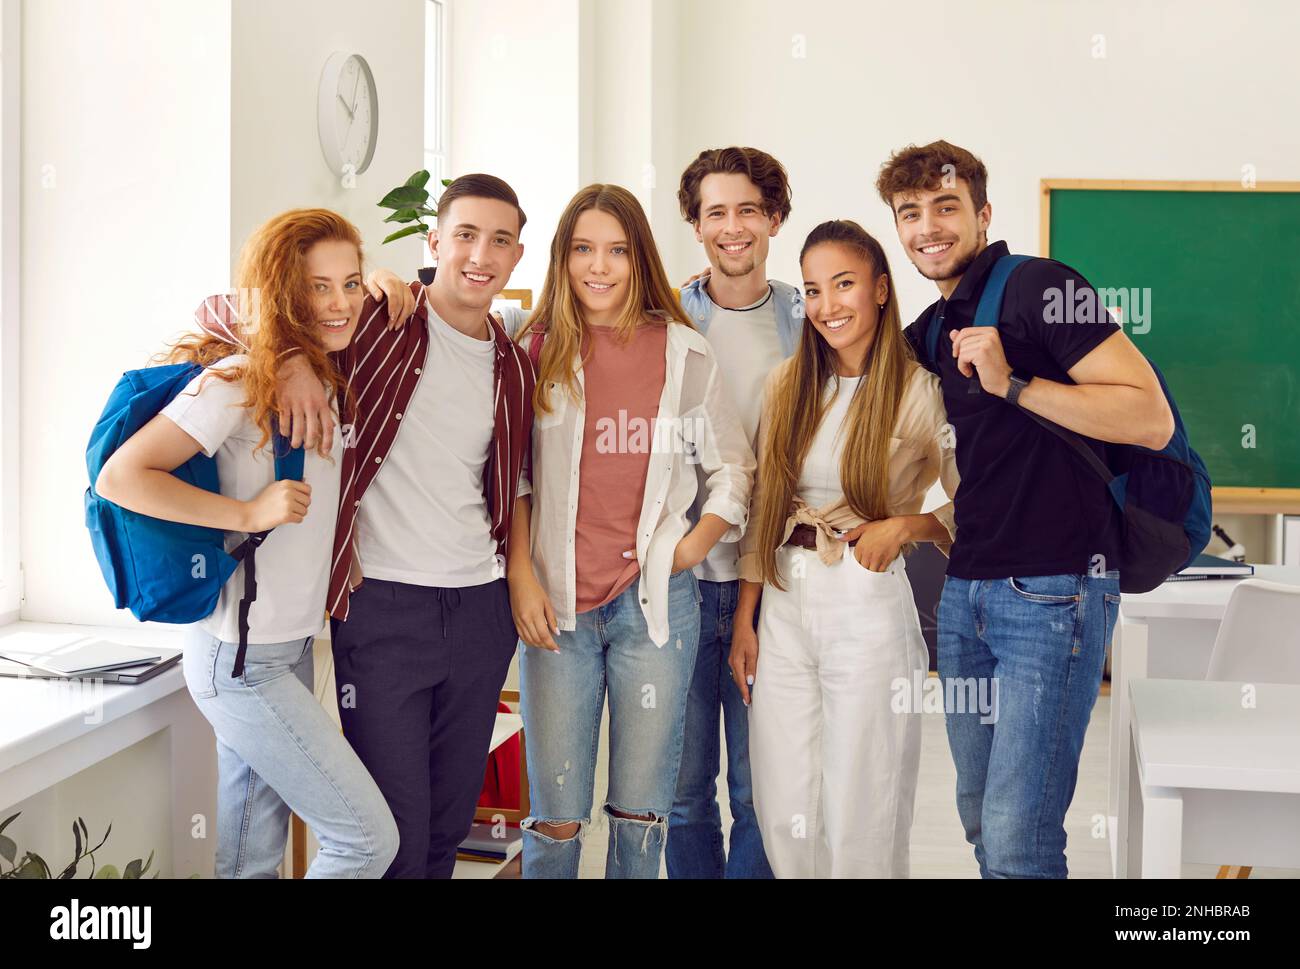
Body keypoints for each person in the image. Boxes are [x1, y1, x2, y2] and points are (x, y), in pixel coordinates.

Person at [197, 174, 536, 878]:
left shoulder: (514, 361)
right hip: (383, 611)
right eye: (465, 234)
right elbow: (218, 309)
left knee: (445, 832)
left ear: (517, 254)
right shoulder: (379, 320)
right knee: (389, 837)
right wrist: (286, 357)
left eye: (500, 239)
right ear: (434, 242)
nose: (481, 253)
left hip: (480, 610)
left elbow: (516, 480)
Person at [875, 140, 1175, 878]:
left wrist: (1013, 383)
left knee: (1020, 834)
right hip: (967, 590)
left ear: (982, 214)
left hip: (1054, 591)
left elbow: (1150, 418)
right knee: (982, 817)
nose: (926, 227)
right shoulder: (937, 323)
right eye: (909, 213)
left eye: (945, 207)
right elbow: (842, 345)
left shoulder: (1039, 287)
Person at [96, 208, 399, 878]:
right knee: (367, 840)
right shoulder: (235, 381)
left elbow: (378, 299)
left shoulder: (323, 375)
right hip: (237, 660)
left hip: (282, 651)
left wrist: (376, 285)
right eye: (318, 287)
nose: (340, 302)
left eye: (349, 283)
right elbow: (121, 477)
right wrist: (246, 510)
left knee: (249, 855)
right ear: (284, 292)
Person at [506, 183, 754, 878]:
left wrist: (693, 545)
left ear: (638, 258)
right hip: (557, 610)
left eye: (616, 250)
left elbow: (733, 468)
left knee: (643, 814)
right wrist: (522, 573)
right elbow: (515, 476)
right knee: (555, 816)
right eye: (583, 249)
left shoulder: (683, 352)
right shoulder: (535, 350)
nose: (599, 266)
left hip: (655, 609)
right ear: (562, 258)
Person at [730, 219, 958, 878]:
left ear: (881, 289)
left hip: (866, 597)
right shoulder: (786, 385)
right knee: (784, 799)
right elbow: (761, 506)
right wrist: (746, 616)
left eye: (844, 284)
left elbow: (974, 500)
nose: (828, 305)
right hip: (782, 597)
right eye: (812, 289)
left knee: (865, 797)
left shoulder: (918, 391)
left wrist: (908, 526)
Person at [665, 146, 803, 880]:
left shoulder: (806, 317)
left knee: (761, 792)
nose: (733, 226)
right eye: (715, 211)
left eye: (749, 209)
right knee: (684, 792)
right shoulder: (665, 313)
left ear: (774, 218)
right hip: (678, 582)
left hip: (772, 586)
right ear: (696, 223)